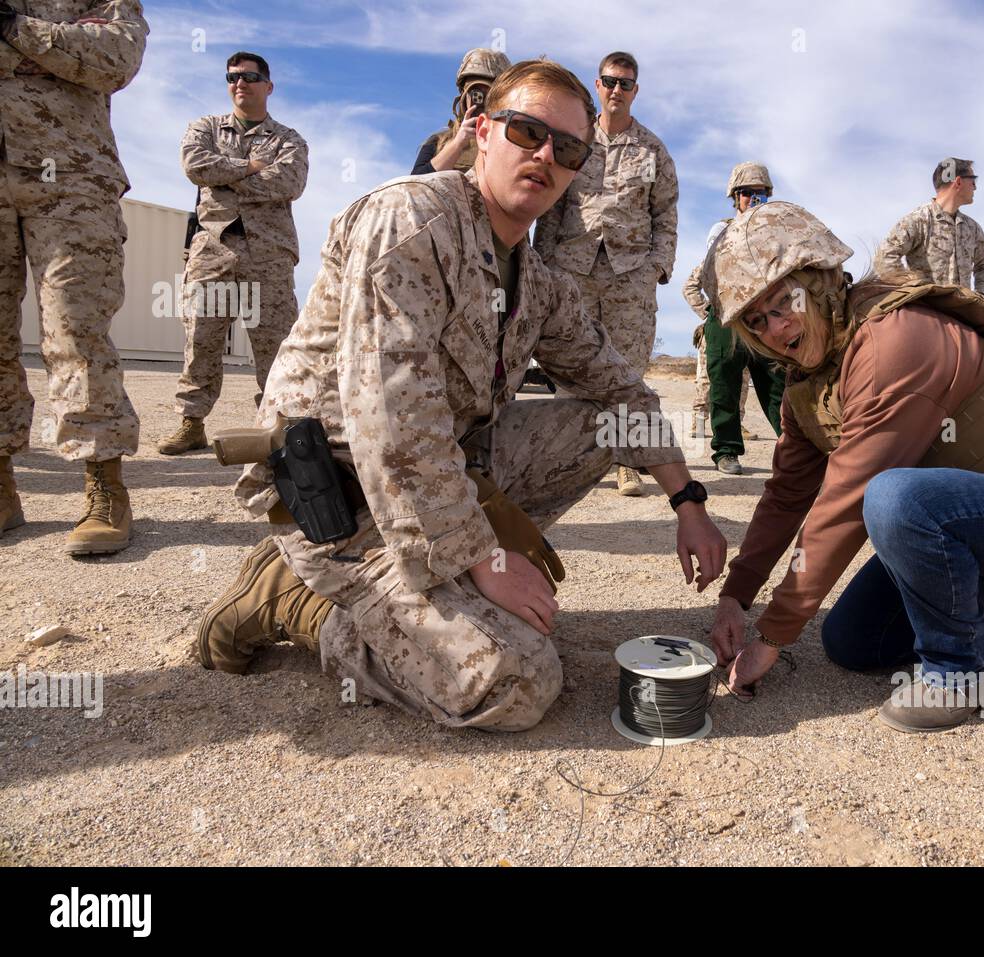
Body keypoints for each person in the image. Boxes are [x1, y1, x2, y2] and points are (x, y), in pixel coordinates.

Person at [195, 59, 726, 732]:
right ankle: (295, 600)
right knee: (519, 677)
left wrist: (688, 501)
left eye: (567, 149)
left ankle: (431, 582)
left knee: (610, 423)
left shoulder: (533, 280)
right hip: (339, 500)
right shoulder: (410, 223)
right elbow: (395, 421)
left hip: (439, 482)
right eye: (526, 131)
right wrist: (483, 558)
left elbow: (620, 387)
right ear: (481, 131)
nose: (544, 156)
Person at [703, 202, 984, 733]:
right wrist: (736, 596)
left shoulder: (895, 338)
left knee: (892, 498)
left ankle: (961, 671)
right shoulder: (809, 381)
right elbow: (787, 496)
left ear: (818, 284)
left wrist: (771, 636)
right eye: (756, 320)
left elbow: (845, 500)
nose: (775, 328)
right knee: (852, 643)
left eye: (784, 302)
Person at [0, 0, 148, 555]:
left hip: (71, 179)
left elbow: (114, 59)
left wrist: (15, 30)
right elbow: (81, 56)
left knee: (76, 334)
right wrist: (53, 49)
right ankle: (3, 489)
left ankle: (103, 485)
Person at [533, 51, 678, 497]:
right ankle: (565, 457)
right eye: (610, 81)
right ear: (597, 85)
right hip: (573, 268)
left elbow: (666, 213)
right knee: (567, 361)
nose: (617, 90)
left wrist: (655, 267)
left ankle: (622, 462)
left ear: (636, 91)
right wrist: (543, 264)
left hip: (629, 274)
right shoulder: (574, 140)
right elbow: (553, 206)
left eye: (626, 83)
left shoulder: (652, 149)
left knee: (627, 366)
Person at [159, 52, 308, 455]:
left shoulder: (288, 139)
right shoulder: (205, 128)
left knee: (276, 347)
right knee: (201, 342)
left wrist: (226, 177)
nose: (241, 83)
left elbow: (288, 183)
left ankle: (280, 426)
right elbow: (195, 165)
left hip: (269, 256)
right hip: (212, 252)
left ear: (268, 86)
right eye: (233, 77)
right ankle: (192, 424)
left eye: (251, 77)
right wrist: (251, 167)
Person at [682, 162, 784, 474]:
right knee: (723, 387)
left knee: (778, 388)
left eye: (760, 194)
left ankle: (795, 450)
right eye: (747, 194)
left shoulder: (779, 230)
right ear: (735, 197)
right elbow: (706, 273)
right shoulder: (722, 229)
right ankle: (726, 451)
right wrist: (710, 318)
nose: (754, 199)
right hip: (727, 319)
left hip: (765, 319)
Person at [874, 157, 984, 297]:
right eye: (973, 180)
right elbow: (884, 257)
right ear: (958, 181)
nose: (975, 187)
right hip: (925, 310)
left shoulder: (972, 228)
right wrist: (912, 289)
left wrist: (982, 295)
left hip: (961, 311)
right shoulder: (918, 220)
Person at [410, 48, 510, 176]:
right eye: (476, 94)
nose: (482, 102)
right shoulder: (439, 142)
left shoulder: (511, 143)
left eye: (490, 96)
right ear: (463, 96)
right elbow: (417, 184)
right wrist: (458, 143)